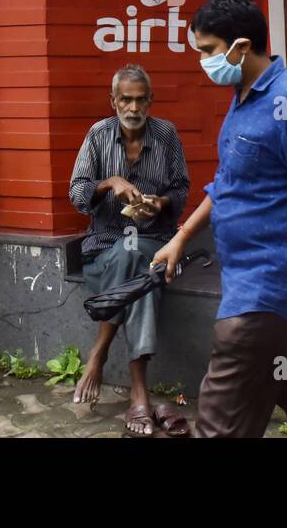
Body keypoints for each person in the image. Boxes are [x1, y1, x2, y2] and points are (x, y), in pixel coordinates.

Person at [153, 0, 287, 438]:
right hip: (259, 293)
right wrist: (182, 236)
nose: (203, 61)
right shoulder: (244, 97)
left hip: (265, 294)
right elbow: (230, 184)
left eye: (208, 50)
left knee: (219, 428)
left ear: (241, 47)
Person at [68, 64, 190, 436]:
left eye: (140, 99)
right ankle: (139, 392)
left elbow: (182, 191)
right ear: (113, 101)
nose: (133, 107)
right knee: (136, 266)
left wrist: (162, 203)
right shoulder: (98, 136)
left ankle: (99, 354)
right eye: (126, 99)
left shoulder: (166, 134)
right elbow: (76, 194)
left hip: (155, 242)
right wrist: (110, 183)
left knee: (138, 256)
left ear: (150, 101)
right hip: (102, 250)